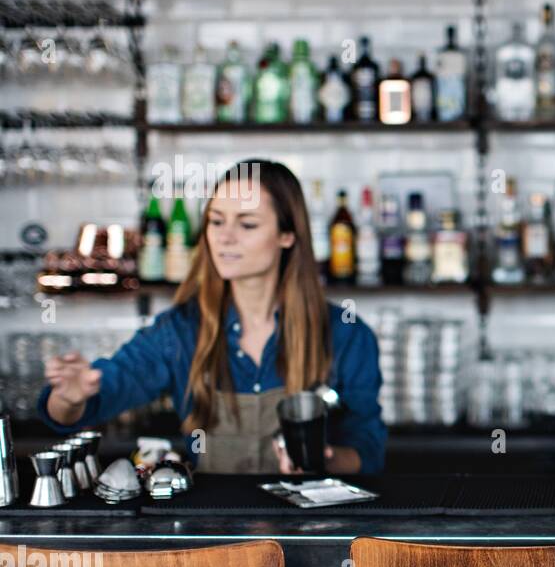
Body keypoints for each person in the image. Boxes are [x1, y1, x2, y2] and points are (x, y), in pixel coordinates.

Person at [39, 160, 386, 474]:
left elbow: (368, 449)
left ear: (287, 235)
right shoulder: (179, 331)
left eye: (247, 224)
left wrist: (321, 461)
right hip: (213, 532)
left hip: (309, 530)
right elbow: (96, 400)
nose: (224, 237)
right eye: (216, 221)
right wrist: (70, 398)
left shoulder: (346, 335)